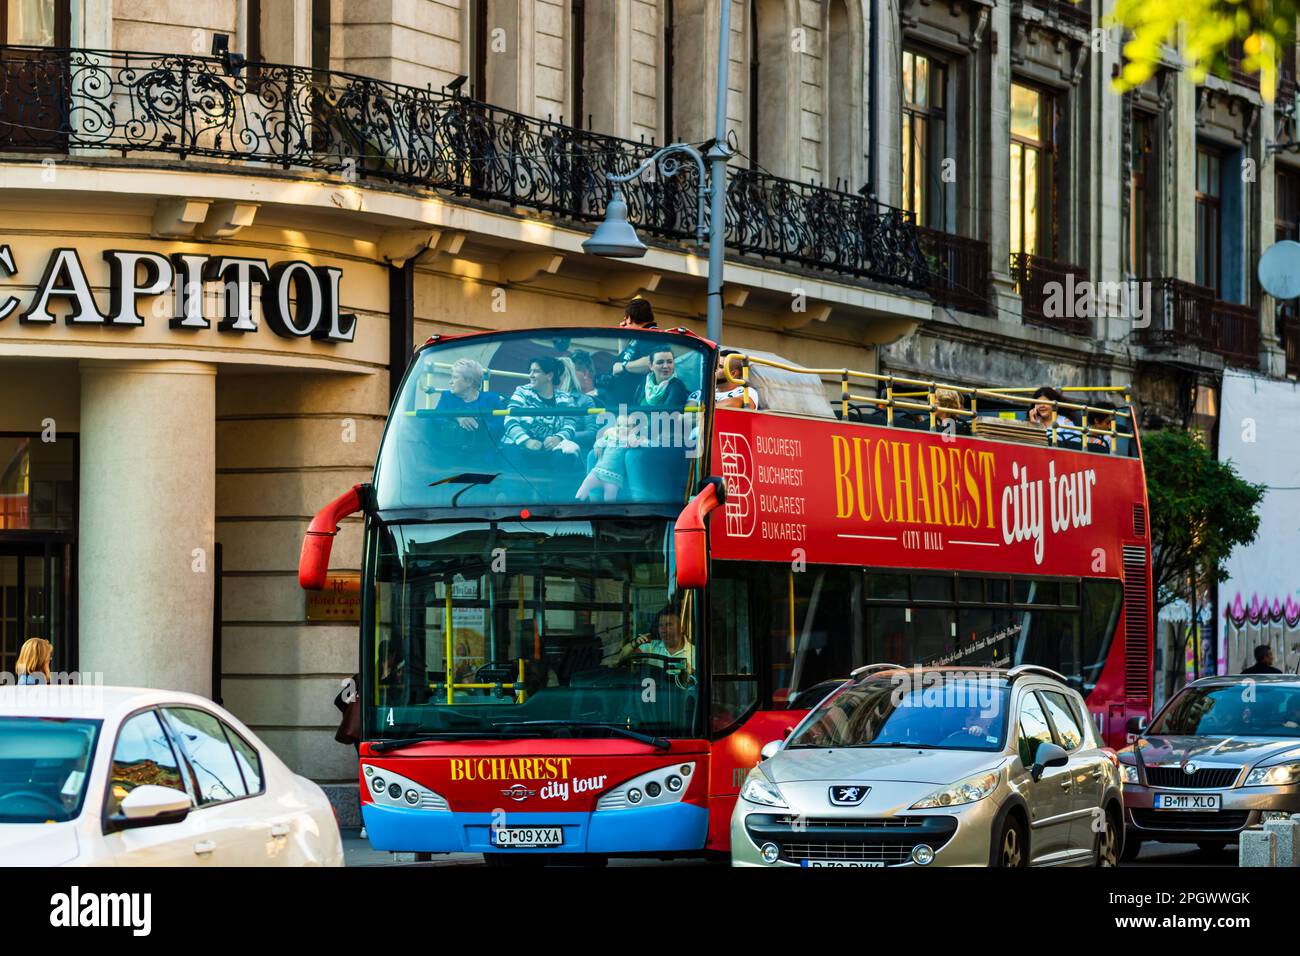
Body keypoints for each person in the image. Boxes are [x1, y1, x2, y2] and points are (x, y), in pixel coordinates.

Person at [576, 349, 688, 501]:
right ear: (651, 365)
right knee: (593, 454)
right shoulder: (644, 384)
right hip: (637, 433)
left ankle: (639, 501)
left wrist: (639, 435)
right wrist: (621, 428)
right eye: (660, 362)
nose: (665, 366)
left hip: (663, 439)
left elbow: (666, 417)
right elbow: (634, 412)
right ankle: (595, 503)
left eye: (669, 362)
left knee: (632, 456)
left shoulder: (677, 386)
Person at [504, 356, 583, 470]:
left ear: (549, 376)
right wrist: (526, 441)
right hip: (519, 446)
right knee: (513, 457)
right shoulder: (522, 392)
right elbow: (510, 420)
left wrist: (558, 438)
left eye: (536, 371)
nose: (531, 375)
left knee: (563, 458)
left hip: (549, 450)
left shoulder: (565, 398)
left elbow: (570, 425)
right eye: (530, 371)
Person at [435, 357, 505, 455]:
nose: (450, 382)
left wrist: (478, 424)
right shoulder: (447, 397)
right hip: (452, 453)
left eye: (455, 377)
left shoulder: (491, 399)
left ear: (469, 381)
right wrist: (457, 417)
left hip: (483, 454)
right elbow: (436, 418)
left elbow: (499, 427)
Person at [616, 605, 694, 675]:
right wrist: (634, 644)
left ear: (682, 627)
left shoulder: (694, 654)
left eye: (669, 625)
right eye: (661, 625)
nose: (663, 630)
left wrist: (691, 673)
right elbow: (621, 658)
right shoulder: (650, 647)